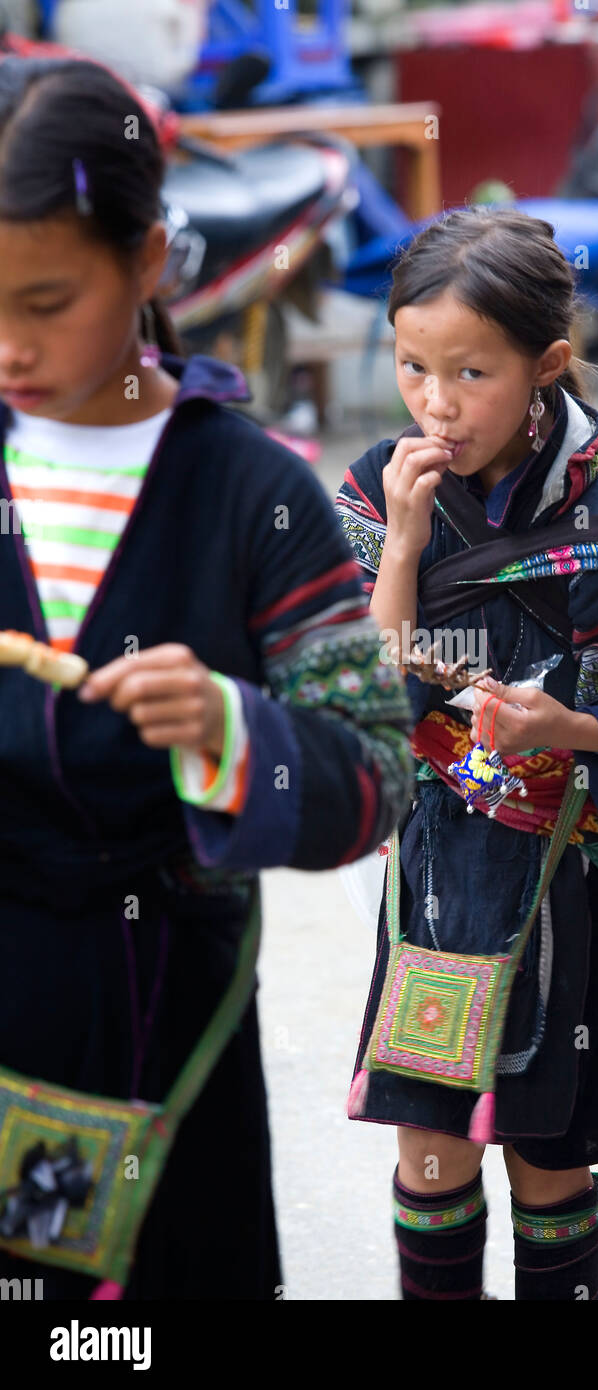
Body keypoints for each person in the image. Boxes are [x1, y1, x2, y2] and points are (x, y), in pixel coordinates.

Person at [0, 56, 414, 1299]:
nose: (9, 345)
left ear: (146, 262)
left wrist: (233, 727)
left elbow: (376, 773)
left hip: (164, 1004)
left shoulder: (252, 492)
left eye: (47, 300)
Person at [335, 207, 598, 1301]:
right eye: (413, 366)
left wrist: (564, 730)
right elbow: (365, 692)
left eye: (470, 372)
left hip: (569, 870)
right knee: (428, 1153)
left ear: (545, 365)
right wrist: (408, 549)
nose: (434, 401)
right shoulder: (382, 491)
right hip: (438, 878)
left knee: (550, 1160)